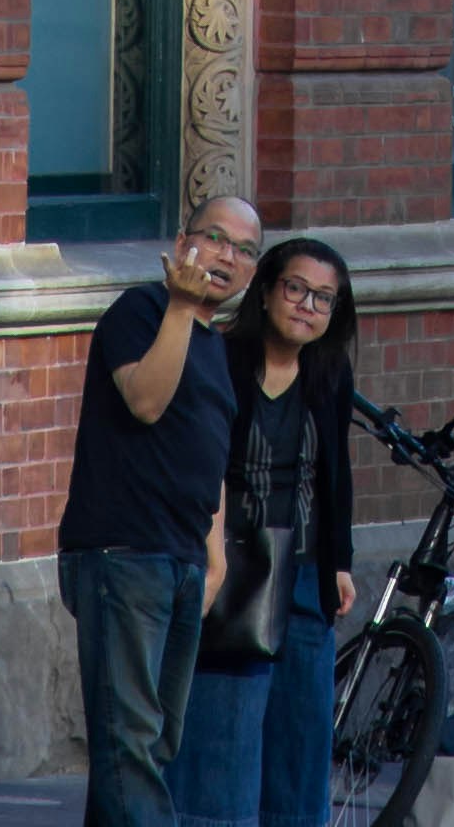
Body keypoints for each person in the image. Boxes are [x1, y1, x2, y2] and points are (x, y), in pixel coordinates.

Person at [56, 193, 259, 827]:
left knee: (150, 745)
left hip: (181, 560)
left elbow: (213, 450)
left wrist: (216, 551)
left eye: (245, 250)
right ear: (182, 241)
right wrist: (179, 304)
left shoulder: (217, 346)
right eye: (215, 238)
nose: (227, 256)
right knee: (131, 747)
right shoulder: (140, 310)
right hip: (124, 552)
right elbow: (145, 401)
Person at [167, 239, 355, 827]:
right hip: (233, 572)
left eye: (323, 298)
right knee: (223, 740)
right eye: (296, 289)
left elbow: (335, 472)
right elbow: (198, 467)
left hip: (302, 574)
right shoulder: (222, 359)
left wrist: (339, 562)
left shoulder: (329, 372)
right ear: (269, 290)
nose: (306, 306)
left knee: (301, 741)